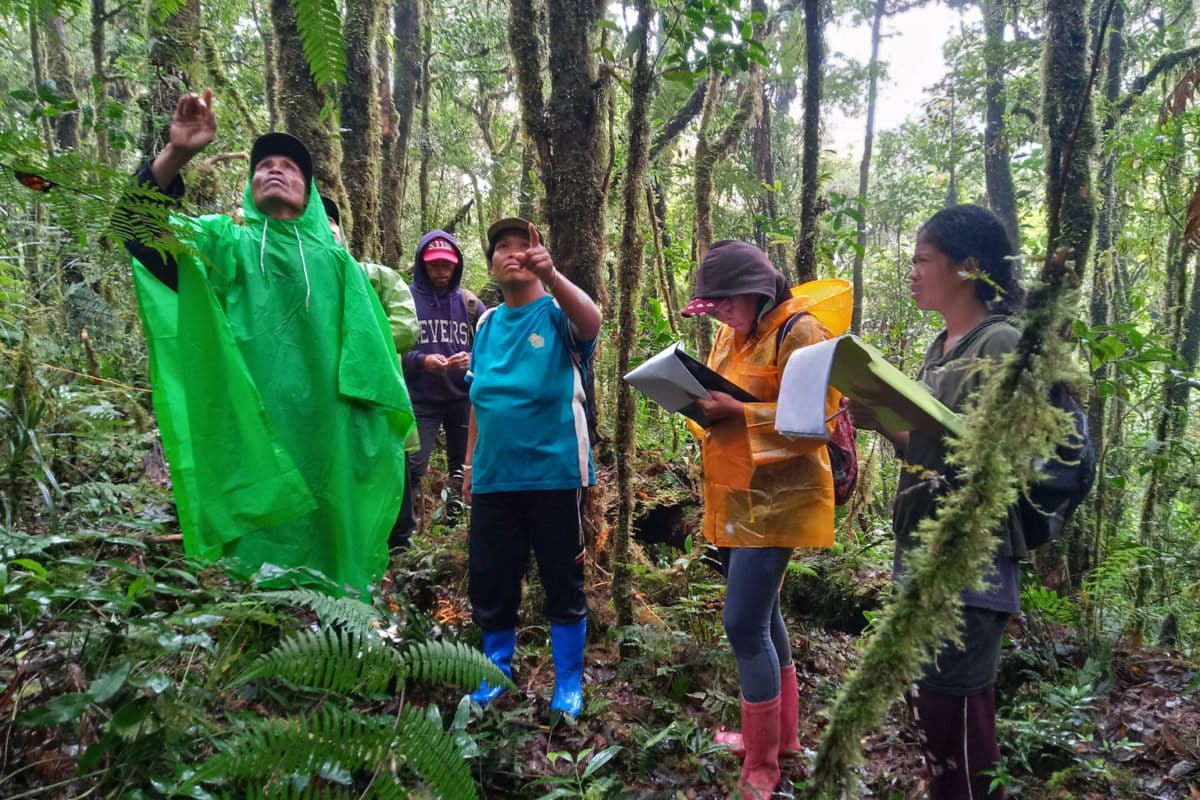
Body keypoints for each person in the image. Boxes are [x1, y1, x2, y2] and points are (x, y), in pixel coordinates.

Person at [121, 90, 413, 596]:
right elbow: (137, 229)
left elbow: (374, 367)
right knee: (261, 584)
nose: (275, 170)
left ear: (311, 189)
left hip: (333, 445)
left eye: (290, 166)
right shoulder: (223, 245)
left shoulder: (342, 267)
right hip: (257, 445)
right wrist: (178, 153)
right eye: (263, 165)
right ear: (249, 185)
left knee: (335, 582)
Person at [851, 204, 1026, 800]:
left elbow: (993, 460)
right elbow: (931, 450)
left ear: (968, 267)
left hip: (968, 560)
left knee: (958, 717)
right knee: (938, 710)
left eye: (924, 260)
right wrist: (881, 419)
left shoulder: (999, 342)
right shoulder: (941, 346)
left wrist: (893, 423)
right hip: (923, 547)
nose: (913, 272)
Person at [682, 240, 849, 800]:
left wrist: (740, 413)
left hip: (780, 501)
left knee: (741, 625)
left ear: (754, 291)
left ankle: (761, 767)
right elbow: (716, 395)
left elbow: (816, 423)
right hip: (736, 494)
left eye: (725, 303)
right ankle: (783, 739)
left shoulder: (799, 333)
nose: (720, 315)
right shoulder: (734, 332)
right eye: (714, 306)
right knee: (765, 615)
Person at [463, 217, 601, 718]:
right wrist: (469, 464)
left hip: (555, 471)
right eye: (502, 246)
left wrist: (557, 277)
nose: (513, 252)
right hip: (496, 475)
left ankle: (567, 683)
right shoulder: (485, 323)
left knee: (562, 579)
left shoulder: (556, 313)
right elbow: (478, 398)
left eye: (524, 245)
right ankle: (495, 673)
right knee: (491, 578)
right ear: (492, 263)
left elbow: (592, 323)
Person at [322, 196, 423, 547]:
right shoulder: (286, 285)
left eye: (331, 220)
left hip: (380, 410)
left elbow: (407, 329)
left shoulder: (377, 277)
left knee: (397, 521)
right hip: (321, 417)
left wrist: (345, 350)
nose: (324, 225)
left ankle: (400, 589)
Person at [394, 230, 483, 545]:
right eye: (435, 265)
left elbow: (493, 349)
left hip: (462, 399)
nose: (442, 271)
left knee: (463, 468)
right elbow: (387, 349)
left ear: (456, 265)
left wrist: (471, 358)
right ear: (422, 264)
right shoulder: (404, 300)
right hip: (422, 400)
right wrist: (420, 361)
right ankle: (403, 535)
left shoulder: (471, 304)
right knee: (412, 465)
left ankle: (455, 529)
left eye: (447, 265)